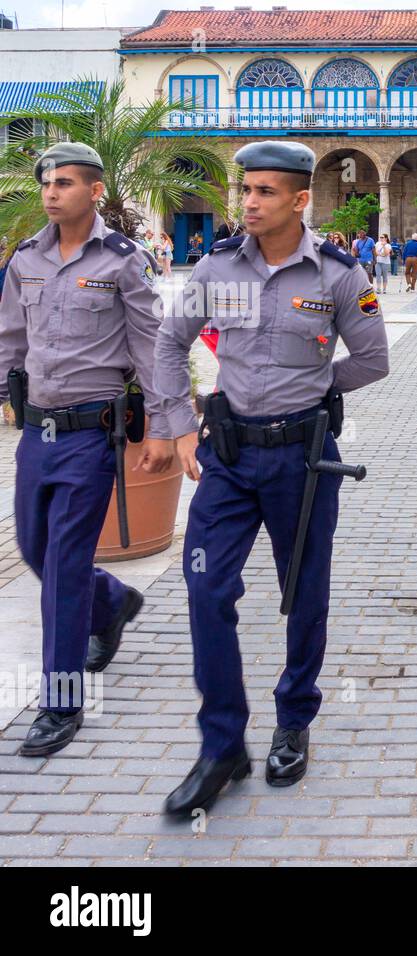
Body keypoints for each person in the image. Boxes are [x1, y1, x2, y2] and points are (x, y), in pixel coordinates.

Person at [154, 140, 390, 815]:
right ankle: (222, 742)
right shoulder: (217, 267)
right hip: (226, 457)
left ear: (298, 199)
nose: (249, 202)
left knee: (302, 589)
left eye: (263, 191)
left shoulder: (341, 276)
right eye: (244, 190)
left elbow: (372, 358)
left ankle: (294, 718)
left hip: (302, 461)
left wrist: (313, 389)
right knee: (205, 587)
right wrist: (175, 422)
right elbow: (170, 341)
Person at [0, 143, 175, 756]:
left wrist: (161, 426)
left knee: (64, 568)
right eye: (46, 181)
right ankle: (114, 601)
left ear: (95, 191)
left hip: (90, 436)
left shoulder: (125, 260)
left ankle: (61, 703)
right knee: (34, 549)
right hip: (36, 434)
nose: (51, 191)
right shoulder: (25, 260)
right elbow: (8, 339)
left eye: (65, 182)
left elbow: (153, 347)